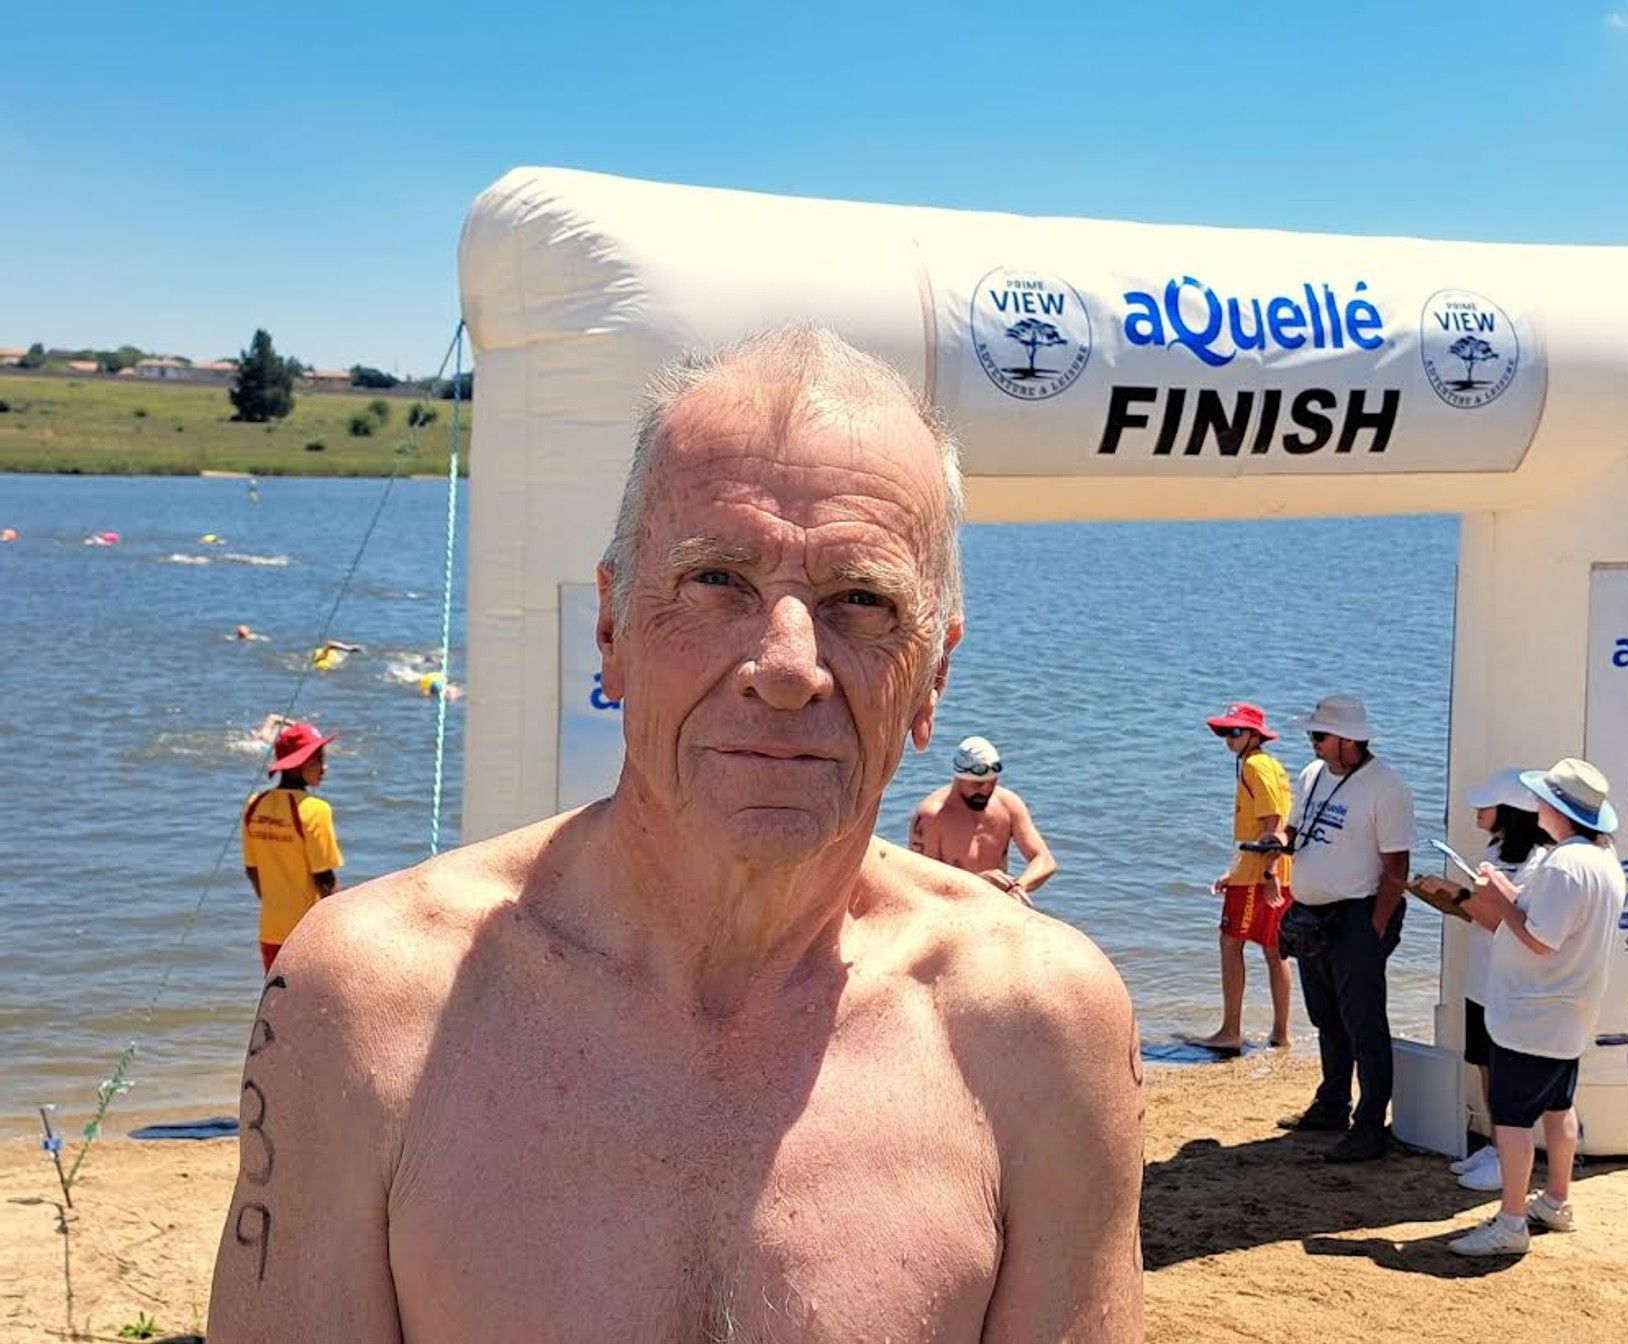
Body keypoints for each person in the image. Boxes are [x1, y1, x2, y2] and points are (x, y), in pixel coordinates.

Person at [209, 328, 1143, 1341]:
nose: (787, 666)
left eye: (861, 600)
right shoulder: (371, 1001)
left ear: (934, 677)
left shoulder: (1036, 1025)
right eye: (714, 582)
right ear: (611, 630)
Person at [1450, 757, 1623, 1258]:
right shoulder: (1602, 859)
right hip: (1569, 1009)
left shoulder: (1567, 864)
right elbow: (1547, 917)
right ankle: (1557, 1199)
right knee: (1559, 1107)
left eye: (1543, 798)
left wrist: (1499, 902)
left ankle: (1511, 1220)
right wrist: (1504, 890)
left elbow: (1539, 939)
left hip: (1533, 1012)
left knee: (1512, 1120)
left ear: (1555, 809)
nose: (1537, 805)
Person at [1274, 695, 1417, 1163]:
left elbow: (1397, 867)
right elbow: (1296, 830)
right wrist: (1276, 843)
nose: (1311, 742)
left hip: (1358, 914)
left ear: (1349, 741)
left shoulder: (1385, 787)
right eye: (1312, 734)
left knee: (1364, 1022)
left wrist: (1374, 928)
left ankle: (1371, 1125)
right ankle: (1332, 1103)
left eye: (1319, 736)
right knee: (1325, 1017)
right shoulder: (1313, 775)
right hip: (1313, 914)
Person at [1415, 768, 1550, 1192]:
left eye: (1485, 805)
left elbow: (1508, 923)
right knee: (1485, 1066)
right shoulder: (1494, 849)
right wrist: (1442, 897)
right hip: (1481, 982)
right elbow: (1477, 913)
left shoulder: (1538, 864)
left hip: (1511, 985)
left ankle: (1510, 1159)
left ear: (1510, 812)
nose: (1477, 811)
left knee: (1507, 1072)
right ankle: (1495, 1146)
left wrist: (1458, 895)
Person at [1186, 703, 1293, 1053]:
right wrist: (1235, 872)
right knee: (1276, 952)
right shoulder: (1271, 765)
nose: (1228, 740)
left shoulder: (1254, 767)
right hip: (1264, 871)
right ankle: (1280, 1034)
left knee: (1230, 944)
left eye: (1235, 732)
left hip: (1260, 874)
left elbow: (1273, 823)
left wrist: (1267, 873)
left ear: (1254, 735)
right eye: (1225, 733)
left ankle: (1230, 1030)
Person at [240, 722, 343, 972]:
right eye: (318, 759)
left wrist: (278, 903)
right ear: (299, 764)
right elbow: (325, 881)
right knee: (316, 1008)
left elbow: (252, 870)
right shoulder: (315, 810)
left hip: (270, 930)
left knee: (277, 1007)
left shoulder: (255, 805)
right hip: (307, 934)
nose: (324, 767)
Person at [908, 735, 1059, 905]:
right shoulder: (931, 816)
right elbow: (920, 882)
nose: (985, 791)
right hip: (952, 907)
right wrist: (978, 883)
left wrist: (1018, 888)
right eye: (977, 785)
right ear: (959, 778)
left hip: (996, 904)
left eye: (991, 783)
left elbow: (1045, 860)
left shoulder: (1008, 805)